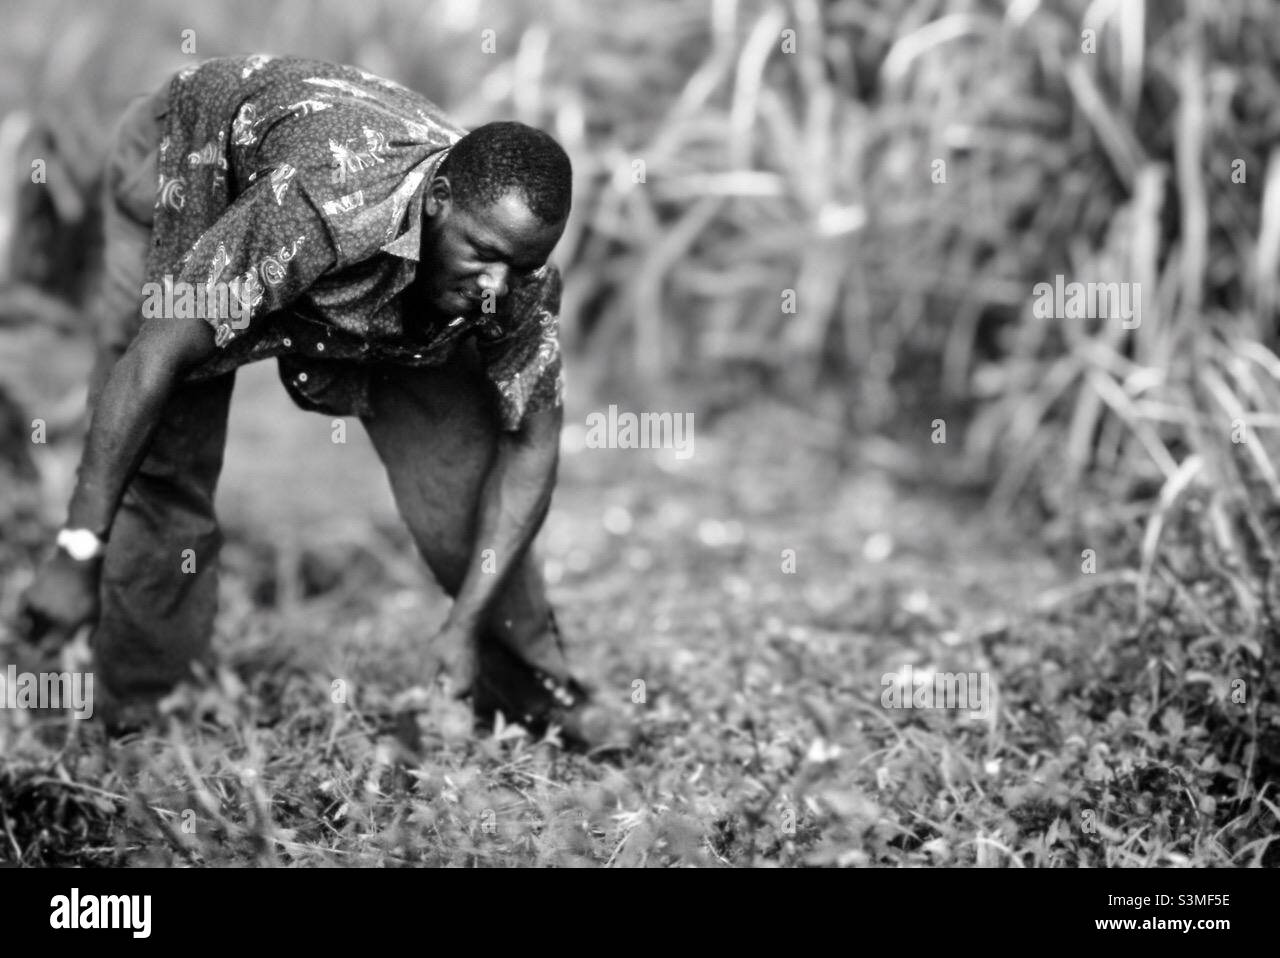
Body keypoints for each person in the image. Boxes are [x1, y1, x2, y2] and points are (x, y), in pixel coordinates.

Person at [16, 54, 613, 747]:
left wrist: (462, 623)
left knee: (464, 475)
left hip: (376, 259)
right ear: (440, 200)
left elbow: (531, 443)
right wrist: (75, 550)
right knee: (164, 457)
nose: (495, 287)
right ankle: (144, 718)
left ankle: (534, 690)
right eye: (484, 254)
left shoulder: (511, 273)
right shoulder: (317, 206)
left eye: (522, 266)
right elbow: (153, 360)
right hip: (182, 167)